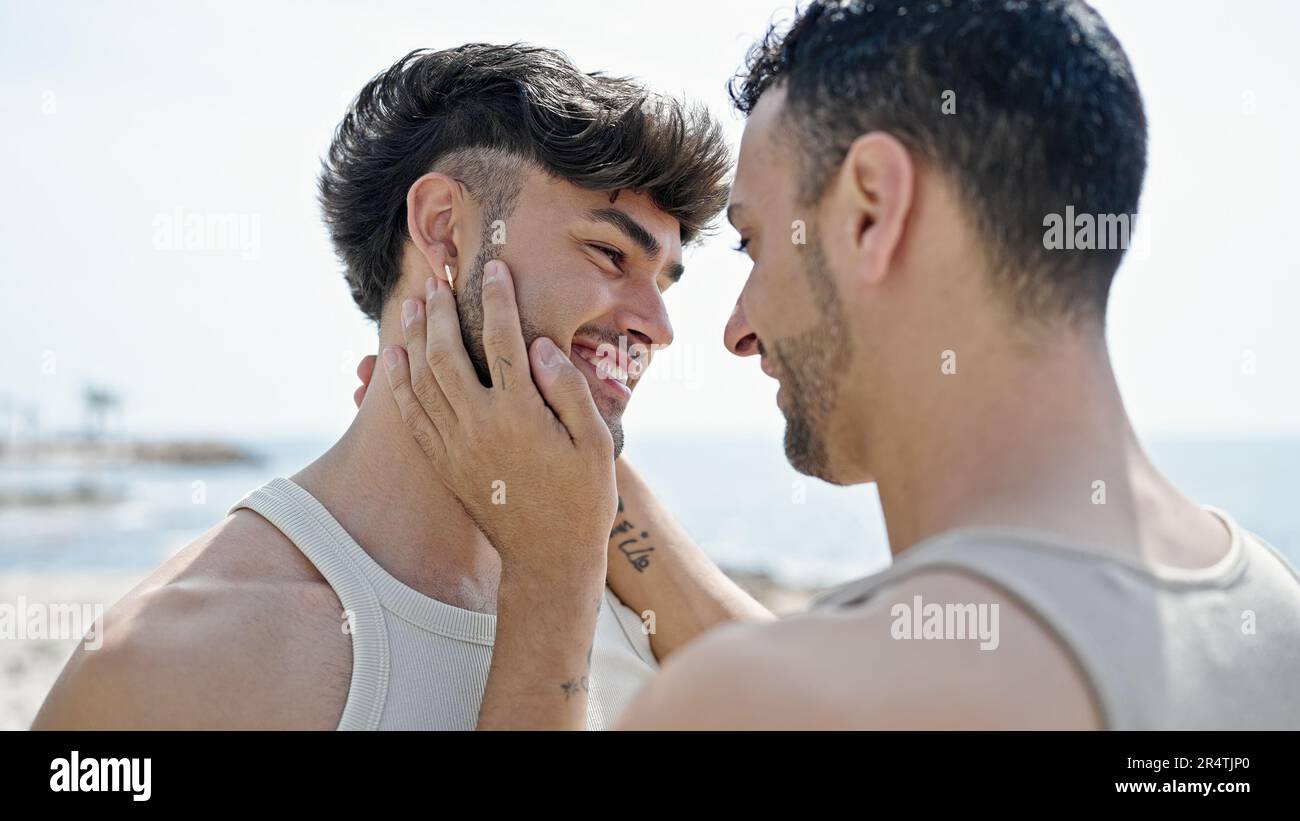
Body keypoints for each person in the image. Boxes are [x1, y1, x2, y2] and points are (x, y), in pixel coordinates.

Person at [381, 1, 1300, 729]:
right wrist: (594, 487)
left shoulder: (771, 701)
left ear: (870, 210)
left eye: (752, 245)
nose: (736, 332)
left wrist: (552, 574)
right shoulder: (1264, 607)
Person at [33, 43, 767, 731]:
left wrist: (590, 487)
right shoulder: (178, 661)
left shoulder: (624, 573)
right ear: (445, 231)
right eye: (609, 253)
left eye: (664, 283)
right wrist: (556, 573)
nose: (659, 327)